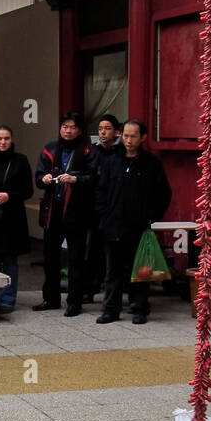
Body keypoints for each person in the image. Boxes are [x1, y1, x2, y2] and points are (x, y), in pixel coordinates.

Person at [96, 118, 171, 325]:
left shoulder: (151, 164)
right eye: (125, 136)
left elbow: (163, 194)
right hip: (113, 224)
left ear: (142, 138)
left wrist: (151, 216)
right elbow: (101, 190)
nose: (128, 140)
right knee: (113, 271)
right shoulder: (112, 161)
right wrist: (103, 214)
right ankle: (111, 309)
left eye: (133, 136)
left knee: (140, 270)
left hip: (138, 225)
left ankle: (139, 308)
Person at [34, 111, 94, 316]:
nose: (68, 131)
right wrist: (44, 178)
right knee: (50, 256)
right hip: (53, 209)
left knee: (76, 258)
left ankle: (74, 302)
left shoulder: (87, 150)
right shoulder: (50, 149)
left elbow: (94, 178)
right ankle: (50, 298)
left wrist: (76, 180)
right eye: (65, 127)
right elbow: (38, 176)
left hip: (77, 210)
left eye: (73, 127)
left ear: (80, 130)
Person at [0, 126, 33, 314]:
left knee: (10, 260)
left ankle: (8, 299)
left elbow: (28, 191)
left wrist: (9, 196)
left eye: (6, 138)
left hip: (13, 218)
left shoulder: (21, 160)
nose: (3, 142)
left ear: (11, 140)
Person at [86, 114, 122, 302]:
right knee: (93, 251)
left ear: (117, 132)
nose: (102, 132)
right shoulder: (93, 152)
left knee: (114, 254)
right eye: (100, 128)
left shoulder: (121, 154)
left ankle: (114, 290)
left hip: (115, 210)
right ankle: (90, 287)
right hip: (95, 209)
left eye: (107, 128)